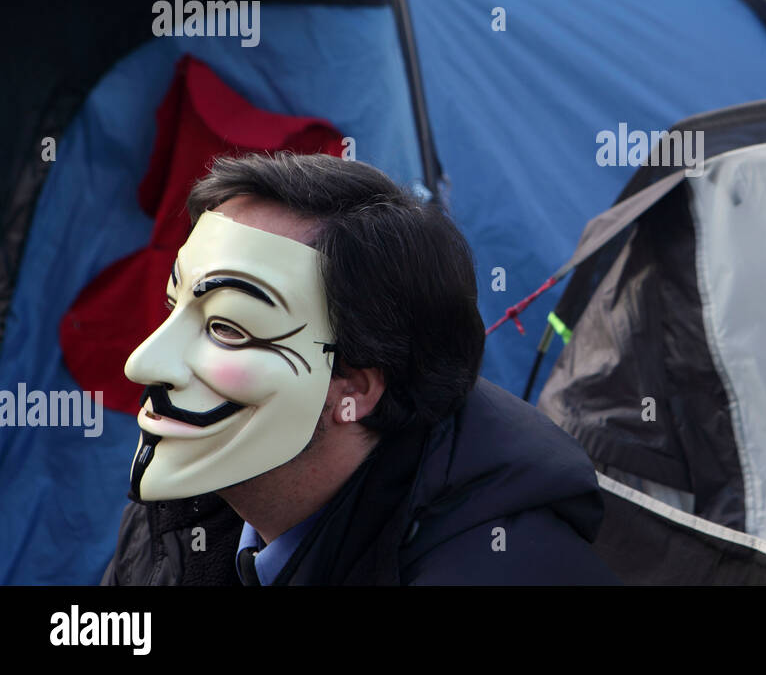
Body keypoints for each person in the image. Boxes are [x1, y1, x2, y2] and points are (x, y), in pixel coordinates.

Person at [101, 152, 617, 585]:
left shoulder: (500, 569)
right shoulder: (182, 512)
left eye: (228, 329)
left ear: (358, 388)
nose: (142, 362)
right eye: (174, 308)